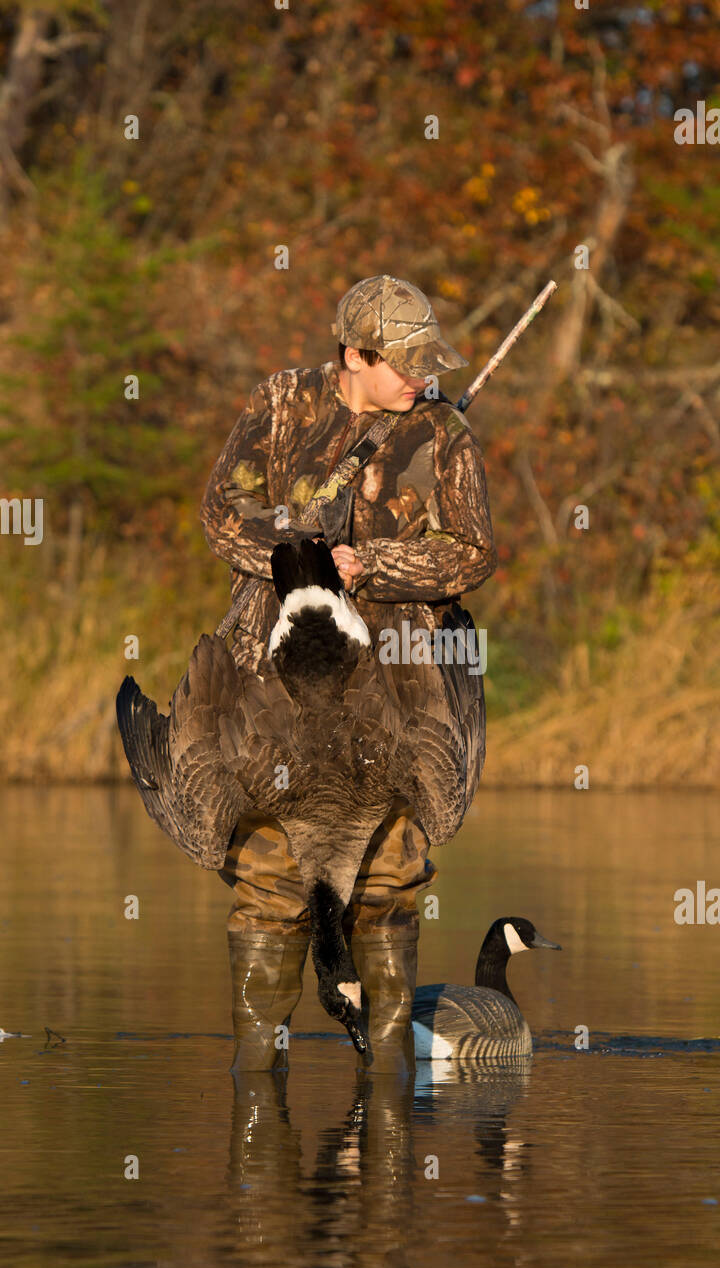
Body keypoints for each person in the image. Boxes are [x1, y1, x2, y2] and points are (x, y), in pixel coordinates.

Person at [200, 274, 496, 1074]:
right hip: (277, 690)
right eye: (405, 362)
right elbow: (220, 514)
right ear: (354, 354)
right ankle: (257, 1098)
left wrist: (373, 564)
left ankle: (388, 1092)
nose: (422, 378)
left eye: (429, 363)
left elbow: (473, 552)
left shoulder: (441, 432)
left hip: (397, 691)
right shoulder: (282, 403)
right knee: (270, 877)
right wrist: (298, 559)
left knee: (388, 877)